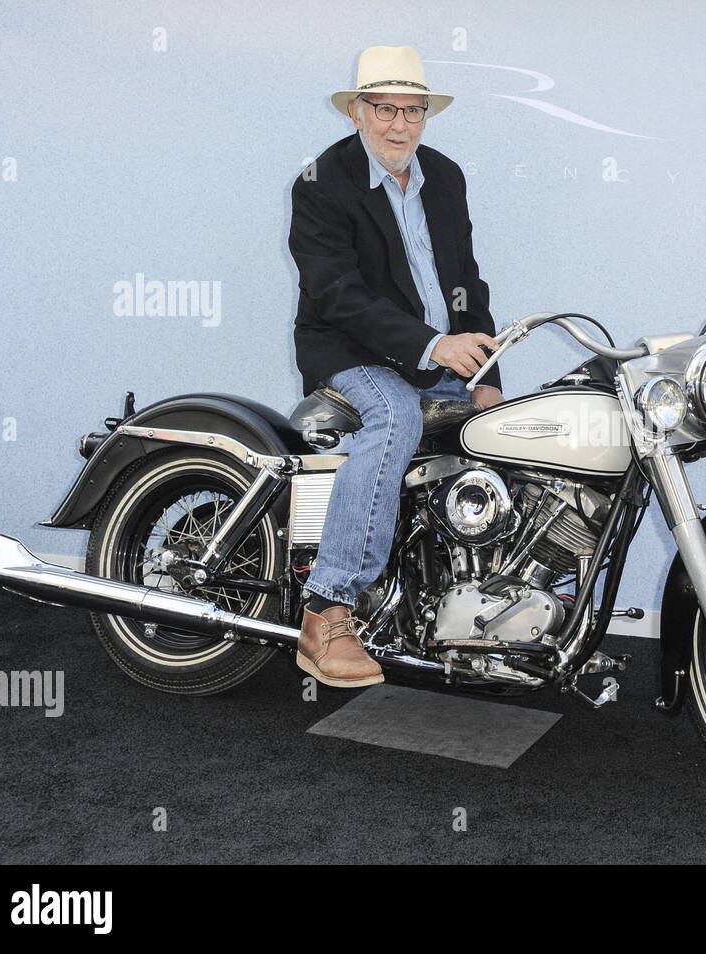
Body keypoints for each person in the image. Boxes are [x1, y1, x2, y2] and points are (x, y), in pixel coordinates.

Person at [288, 46, 504, 687]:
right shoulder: (320, 182)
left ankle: (483, 606)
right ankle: (328, 607)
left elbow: (465, 281)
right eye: (385, 108)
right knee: (396, 416)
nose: (399, 124)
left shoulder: (445, 176)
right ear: (357, 112)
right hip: (350, 352)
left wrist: (486, 373)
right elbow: (338, 295)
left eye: (413, 110)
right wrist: (430, 346)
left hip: (442, 354)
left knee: (513, 432)